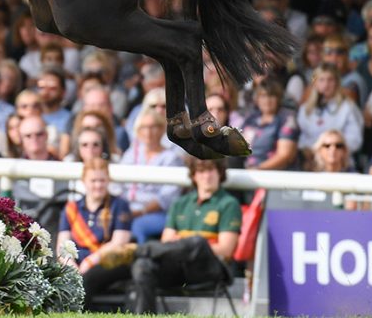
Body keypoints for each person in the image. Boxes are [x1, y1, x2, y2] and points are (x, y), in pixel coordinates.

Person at [127, 158, 241, 314]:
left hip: (209, 269)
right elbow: (166, 242)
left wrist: (188, 244)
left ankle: (135, 251)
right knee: (142, 265)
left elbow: (226, 250)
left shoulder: (229, 203)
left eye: (211, 170)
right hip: (178, 267)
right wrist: (183, 246)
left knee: (197, 242)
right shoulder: (180, 203)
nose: (206, 176)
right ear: (194, 176)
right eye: (201, 171)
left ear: (220, 172)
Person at [58, 158, 134, 307]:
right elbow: (62, 245)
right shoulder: (72, 208)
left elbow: (119, 242)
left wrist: (91, 261)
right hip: (76, 264)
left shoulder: (119, 205)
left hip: (106, 262)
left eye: (102, 180)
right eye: (93, 181)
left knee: (89, 279)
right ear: (84, 181)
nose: (98, 185)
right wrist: (71, 266)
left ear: (108, 180)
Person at [117, 109, 182, 244]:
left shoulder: (171, 158)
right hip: (128, 208)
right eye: (144, 127)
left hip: (157, 213)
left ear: (161, 129)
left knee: (138, 226)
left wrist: (140, 212)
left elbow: (167, 197)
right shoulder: (131, 153)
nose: (148, 132)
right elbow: (119, 185)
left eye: (153, 127)